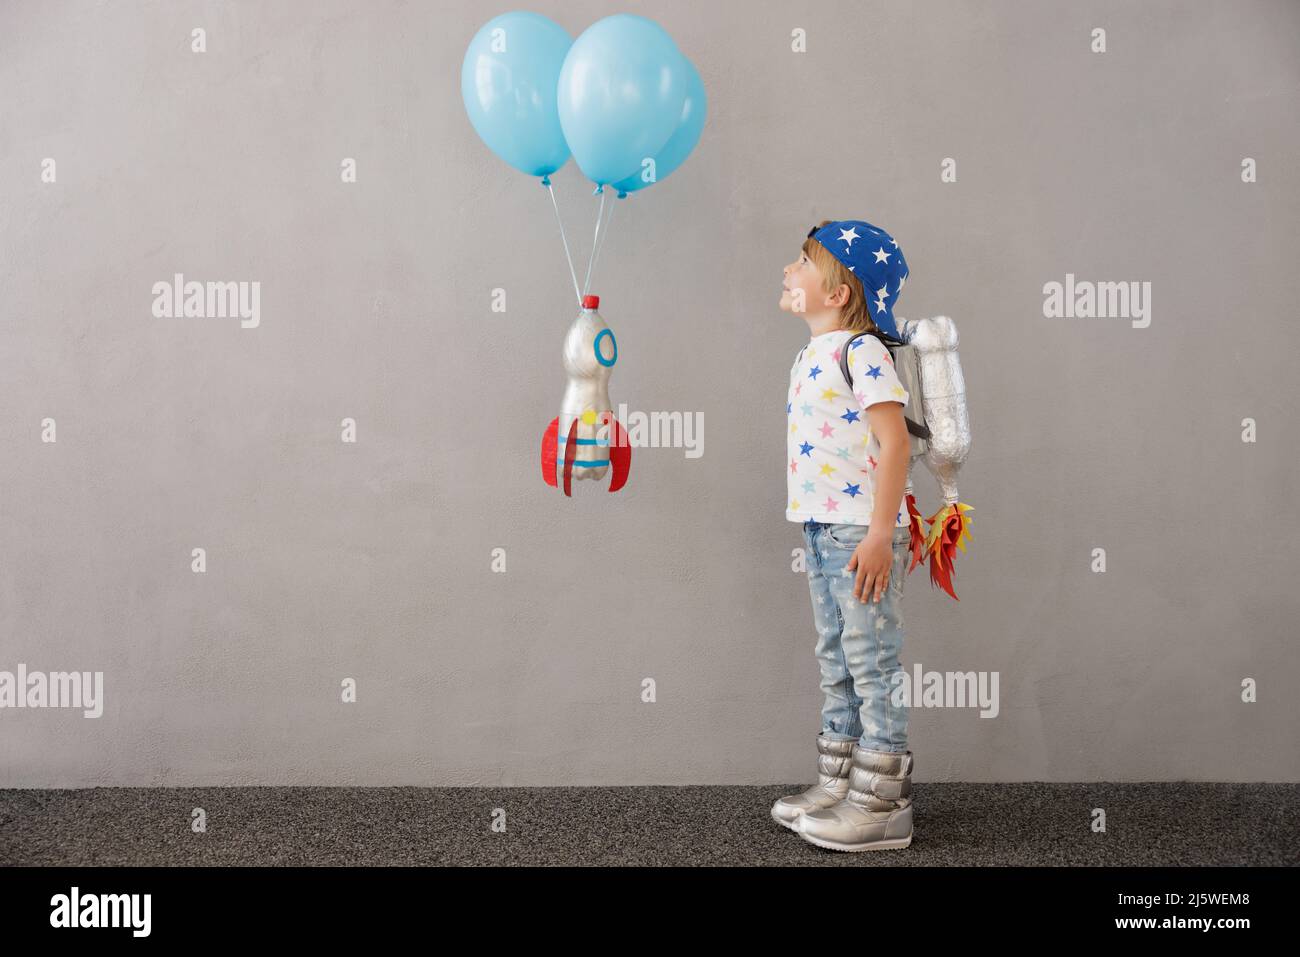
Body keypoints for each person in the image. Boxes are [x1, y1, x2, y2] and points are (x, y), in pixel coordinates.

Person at [770, 219, 917, 852]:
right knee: (836, 658)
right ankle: (840, 783)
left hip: (861, 533)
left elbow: (895, 443)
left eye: (802, 262)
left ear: (838, 294)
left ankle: (883, 804)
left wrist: (881, 532)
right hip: (822, 529)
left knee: (870, 662)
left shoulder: (863, 352)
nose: (788, 269)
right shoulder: (812, 354)